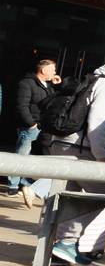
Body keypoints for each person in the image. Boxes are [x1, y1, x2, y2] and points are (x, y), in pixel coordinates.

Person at [47, 52, 105, 266]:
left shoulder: (93, 78)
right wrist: (103, 157)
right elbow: (99, 124)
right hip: (82, 150)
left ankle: (58, 247)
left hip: (63, 144)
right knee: (104, 195)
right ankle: (67, 243)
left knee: (69, 198)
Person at [10, 59, 58, 206]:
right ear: (43, 70)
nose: (55, 72)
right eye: (53, 69)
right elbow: (22, 105)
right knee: (22, 154)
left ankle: (24, 183)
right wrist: (31, 124)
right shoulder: (27, 83)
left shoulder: (48, 86)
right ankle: (13, 186)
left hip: (42, 127)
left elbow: (52, 103)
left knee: (33, 157)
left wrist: (58, 86)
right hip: (31, 126)